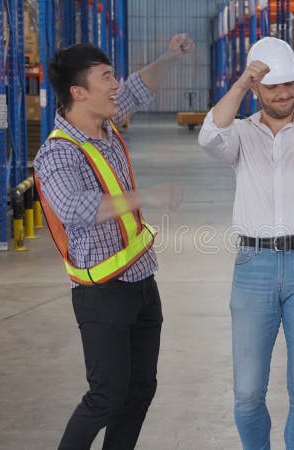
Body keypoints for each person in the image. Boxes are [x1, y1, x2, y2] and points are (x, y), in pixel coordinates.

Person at [33, 34, 193, 450]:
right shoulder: (58, 153)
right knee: (105, 397)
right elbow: (73, 207)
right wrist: (146, 197)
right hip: (100, 293)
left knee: (140, 390)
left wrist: (170, 55)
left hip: (142, 282)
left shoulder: (105, 123)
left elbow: (141, 85)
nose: (117, 84)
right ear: (78, 92)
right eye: (107, 77)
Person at [198, 36, 294, 450]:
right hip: (253, 267)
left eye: (289, 85)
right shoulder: (240, 134)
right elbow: (209, 136)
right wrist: (243, 81)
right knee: (247, 393)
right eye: (273, 86)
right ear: (258, 90)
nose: (283, 93)